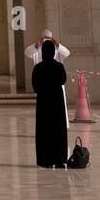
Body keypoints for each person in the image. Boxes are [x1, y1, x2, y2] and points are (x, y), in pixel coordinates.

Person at [31, 38, 68, 168]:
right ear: (53, 52)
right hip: (57, 103)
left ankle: (45, 160)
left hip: (43, 104)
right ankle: (59, 159)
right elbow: (63, 80)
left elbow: (34, 85)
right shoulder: (59, 66)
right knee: (58, 130)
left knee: (44, 131)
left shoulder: (38, 68)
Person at [26, 30, 70, 127]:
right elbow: (27, 52)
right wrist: (36, 45)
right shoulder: (37, 49)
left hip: (54, 87)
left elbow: (67, 53)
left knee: (57, 111)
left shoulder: (57, 49)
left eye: (48, 39)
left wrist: (58, 45)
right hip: (44, 87)